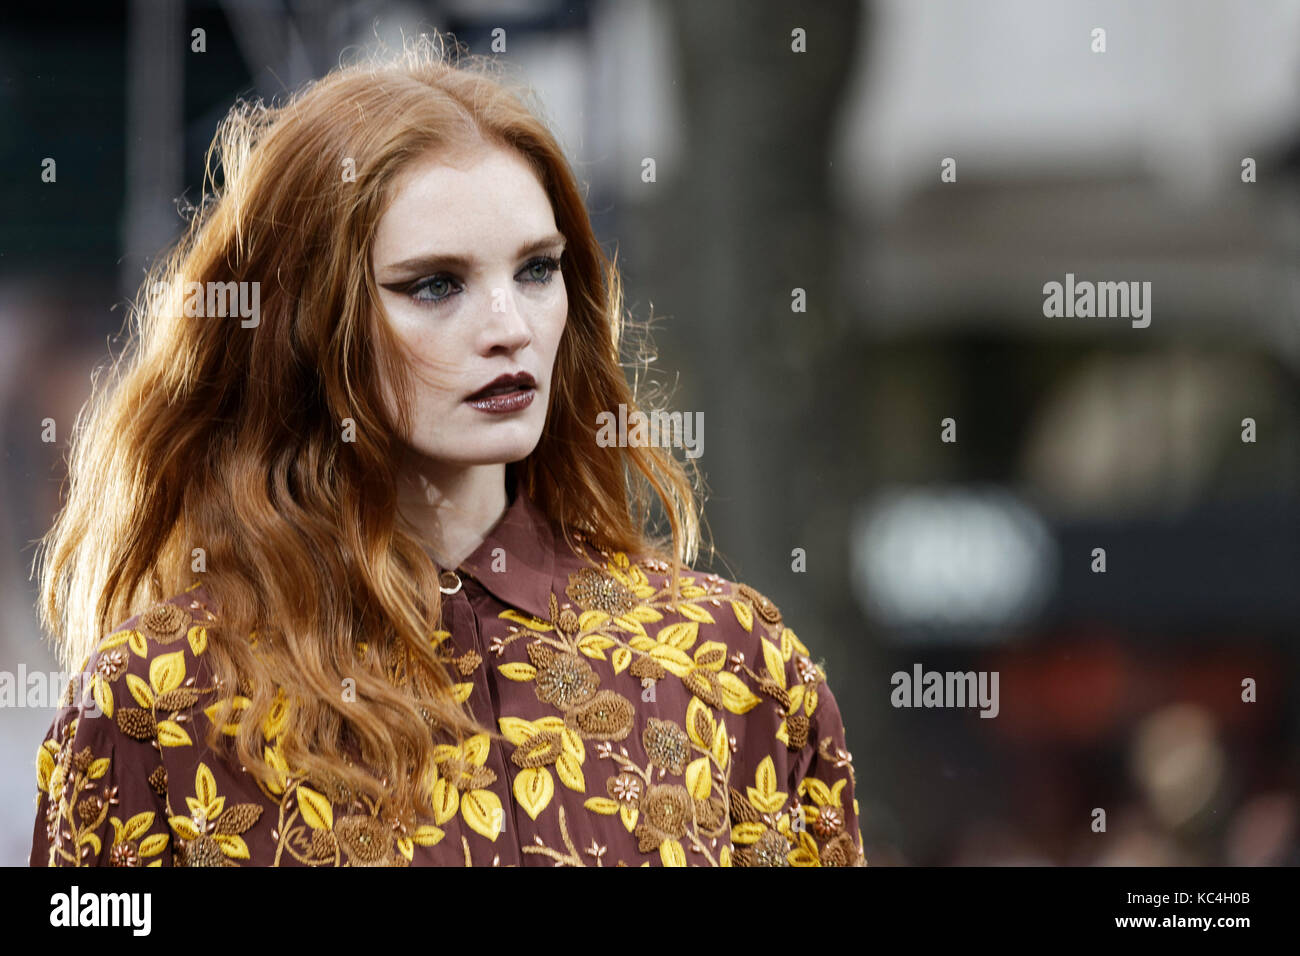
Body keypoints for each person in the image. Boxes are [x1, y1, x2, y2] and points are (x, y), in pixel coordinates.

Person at [29, 34, 865, 868]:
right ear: (306, 326)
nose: (509, 329)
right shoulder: (156, 698)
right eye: (436, 284)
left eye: (537, 271)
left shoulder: (726, 661)